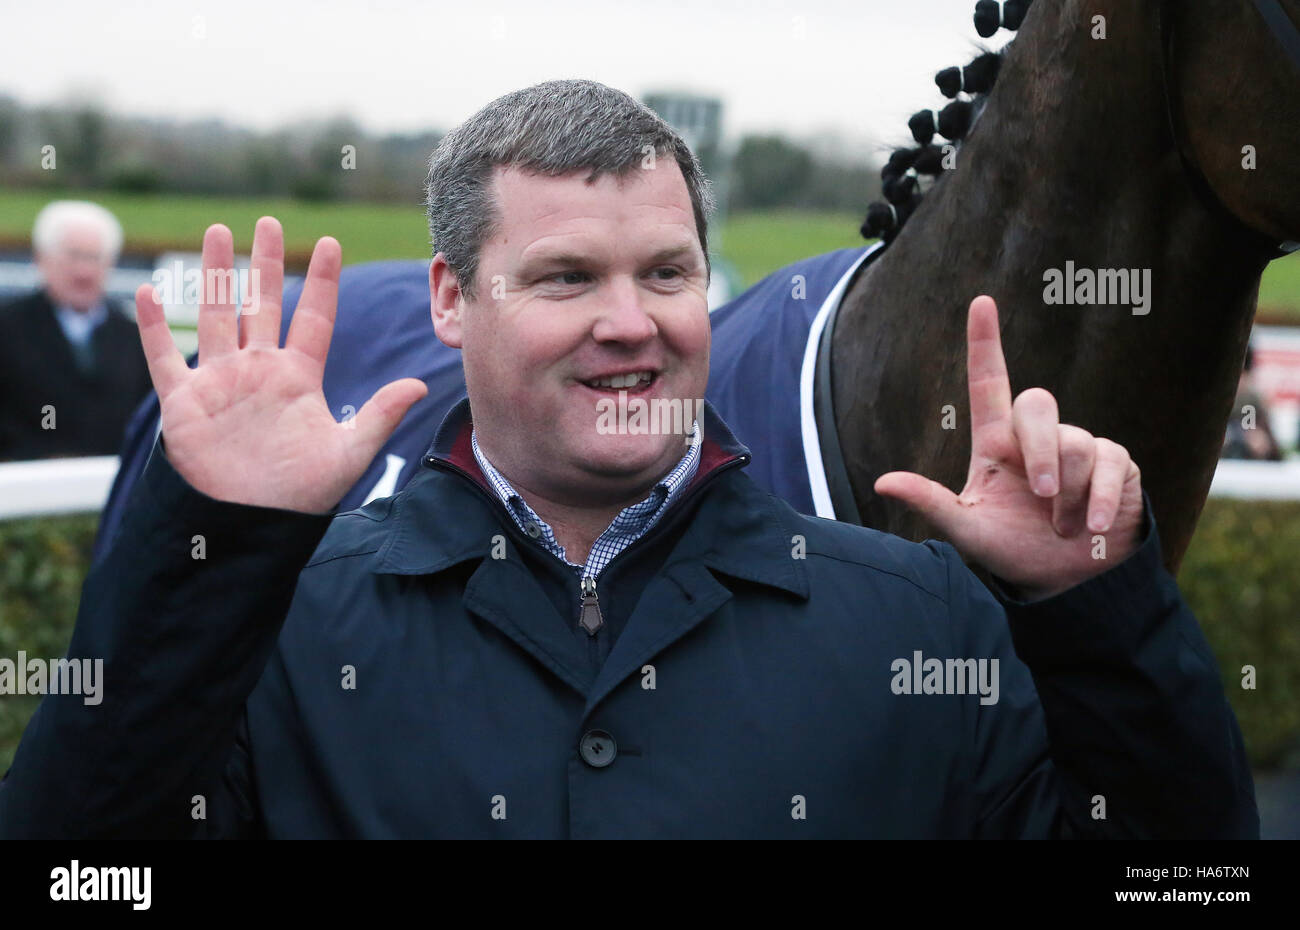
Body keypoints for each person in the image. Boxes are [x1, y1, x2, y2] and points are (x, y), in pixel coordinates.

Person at [0, 80, 1255, 839]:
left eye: (667, 273)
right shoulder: (280, 617)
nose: (629, 319)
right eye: (564, 277)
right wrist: (208, 541)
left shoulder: (920, 613)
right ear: (449, 300)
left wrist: (1099, 617)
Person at [0, 201, 152, 461]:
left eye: (95, 257)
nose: (84, 271)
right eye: (72, 256)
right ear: (41, 259)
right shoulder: (7, 328)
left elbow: (146, 419)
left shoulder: (133, 336)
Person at [1222, 344, 1283, 460]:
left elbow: (1274, 452)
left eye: (1242, 375)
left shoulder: (1253, 400)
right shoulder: (1214, 400)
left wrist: (1263, 441)